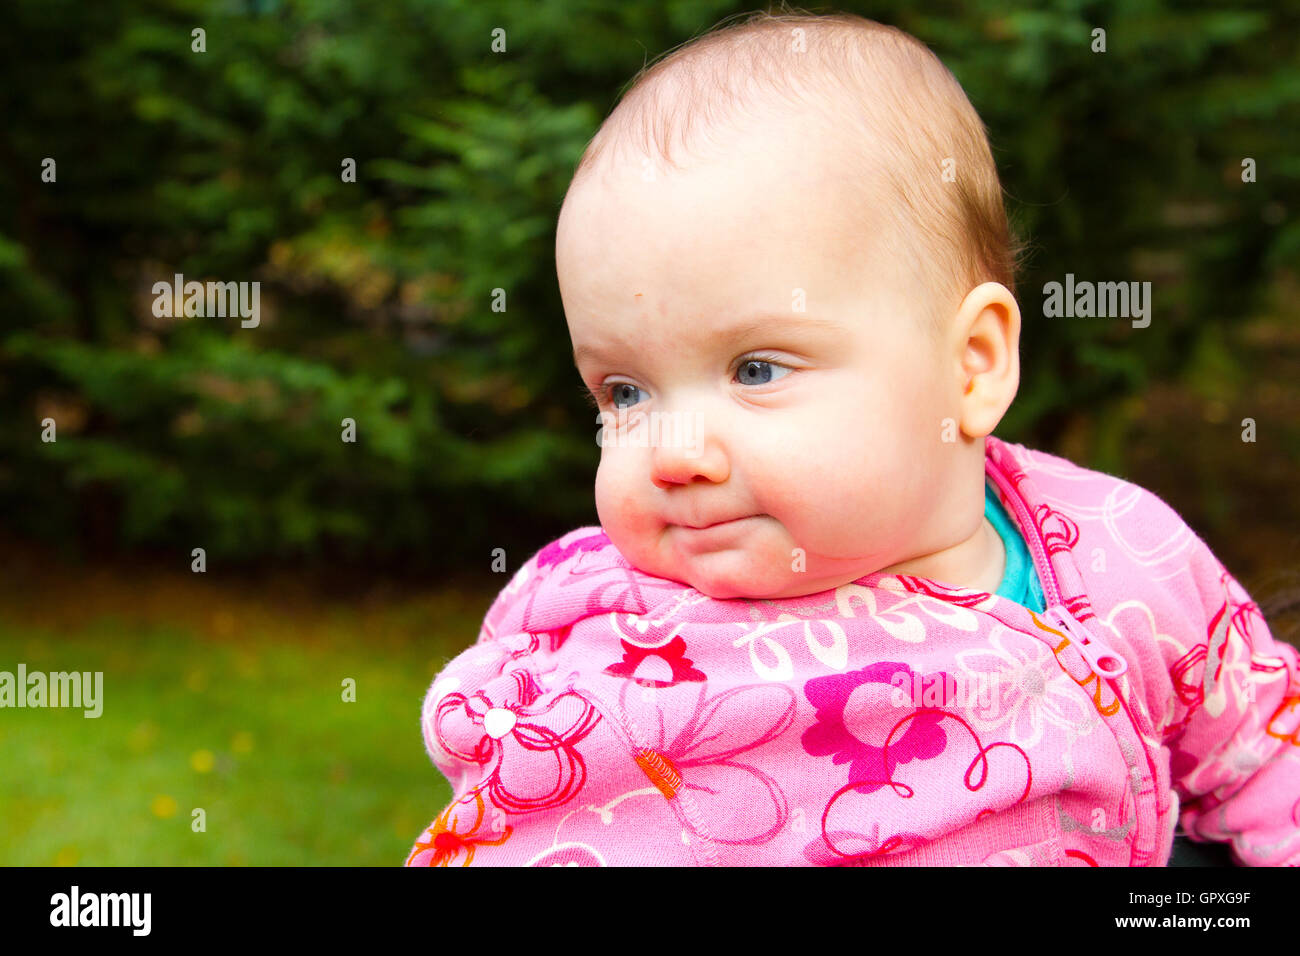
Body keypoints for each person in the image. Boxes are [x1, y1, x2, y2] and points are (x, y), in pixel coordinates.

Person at [405, 11, 1300, 866]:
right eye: (626, 391)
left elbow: (1263, 750)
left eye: (756, 370)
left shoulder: (1121, 559)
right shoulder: (599, 616)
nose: (673, 452)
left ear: (973, 365)